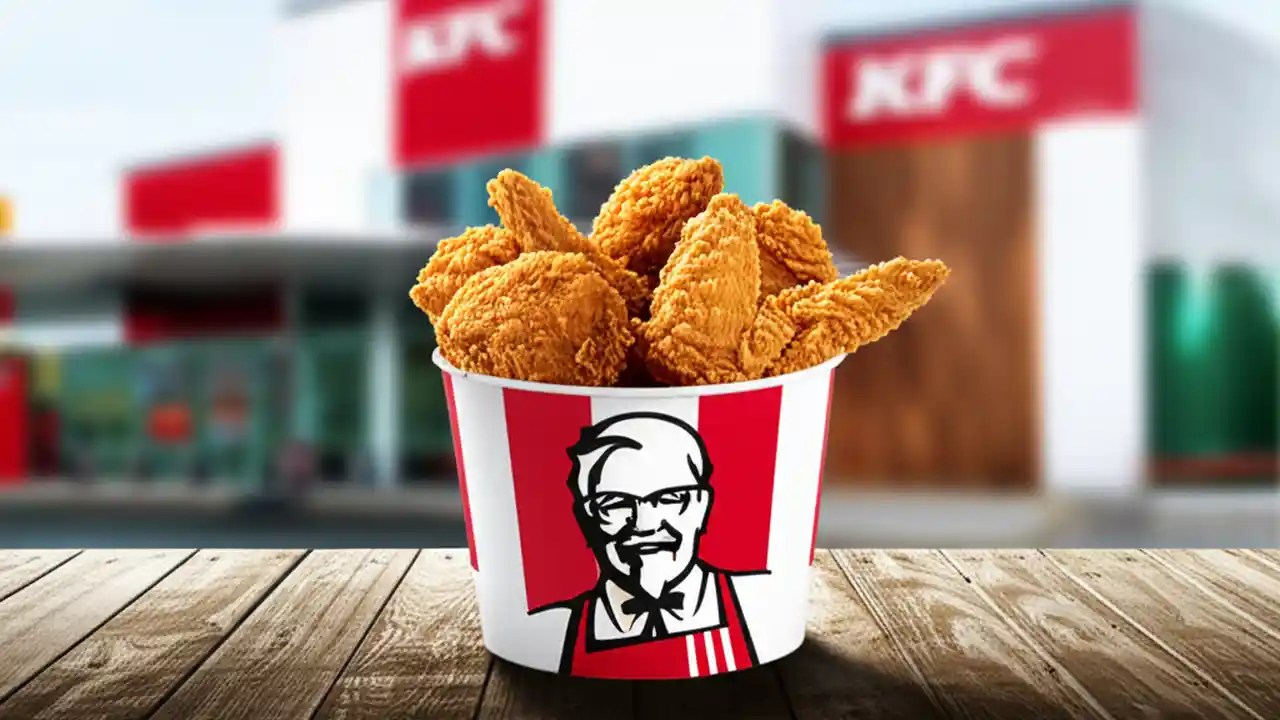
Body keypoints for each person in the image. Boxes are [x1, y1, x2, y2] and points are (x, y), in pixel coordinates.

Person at [542, 412, 759, 678]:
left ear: (702, 507)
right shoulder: (552, 629)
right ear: (587, 519)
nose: (645, 525)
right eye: (614, 503)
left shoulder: (759, 601)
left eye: (670, 498)